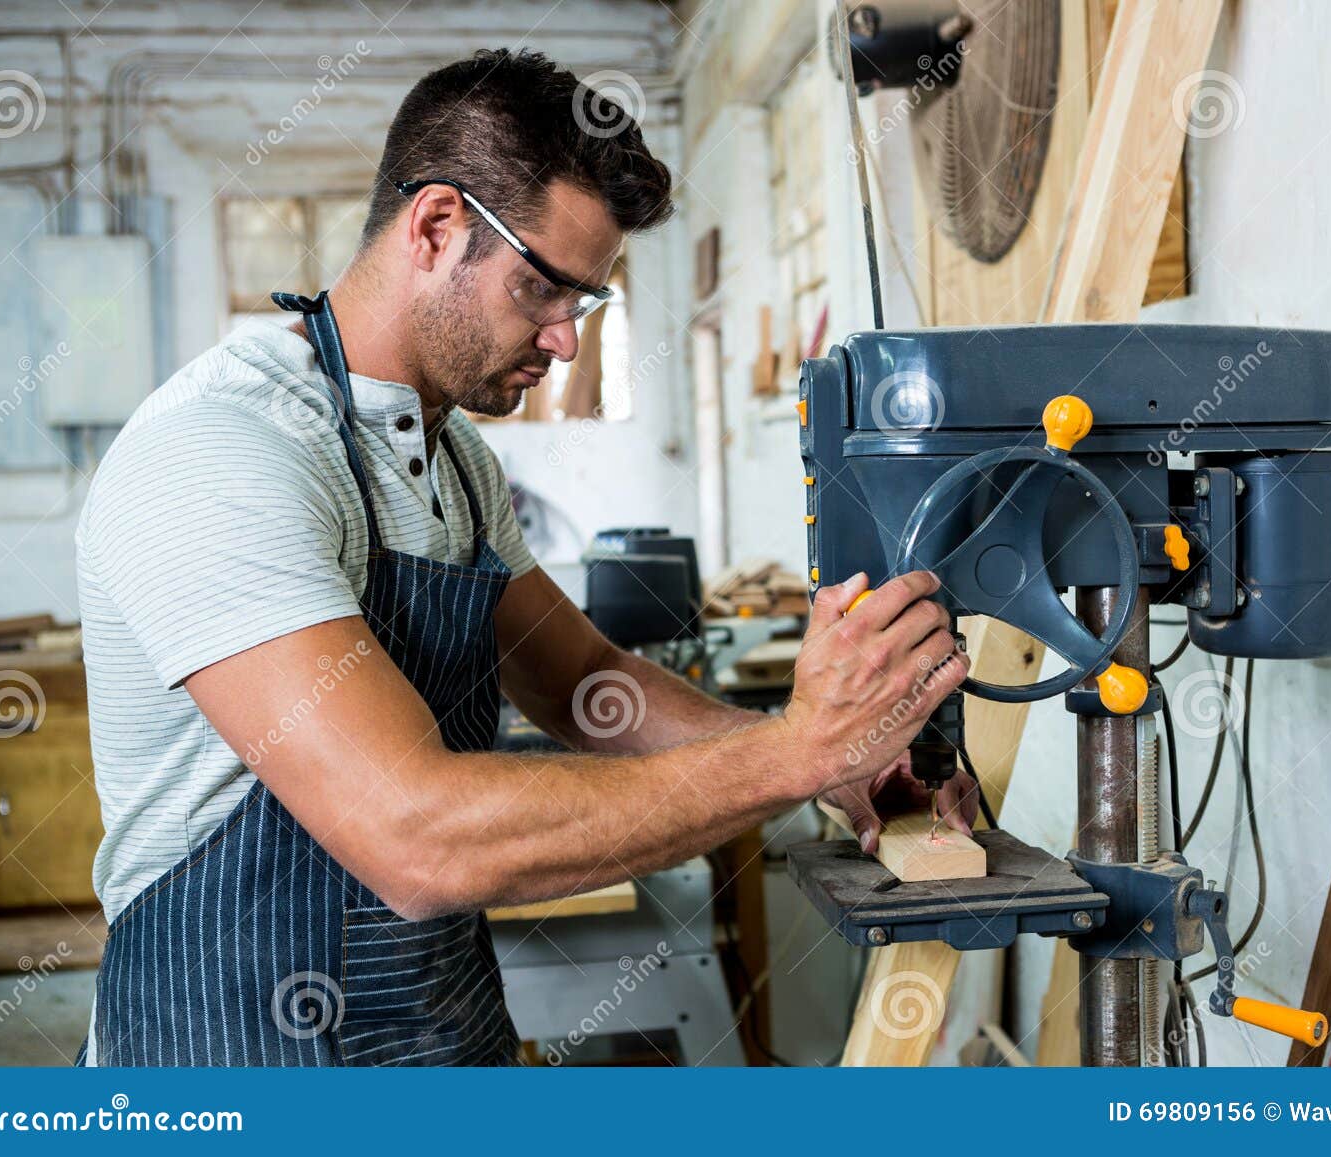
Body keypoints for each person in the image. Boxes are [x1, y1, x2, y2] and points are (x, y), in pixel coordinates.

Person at [74, 48, 971, 1066]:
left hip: (439, 1033)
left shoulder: (451, 455)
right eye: (544, 289)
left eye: (583, 303)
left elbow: (586, 681)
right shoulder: (225, 450)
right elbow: (412, 835)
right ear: (435, 226)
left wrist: (835, 768)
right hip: (229, 1055)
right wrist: (793, 751)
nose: (565, 344)